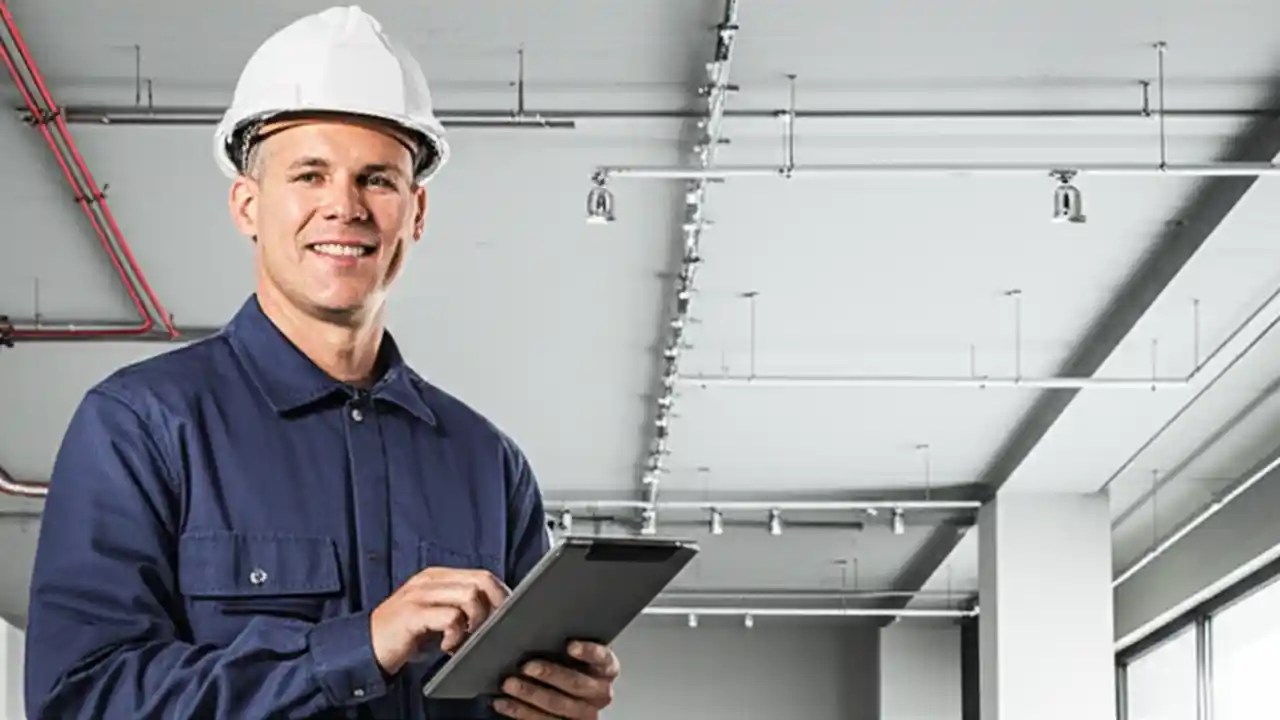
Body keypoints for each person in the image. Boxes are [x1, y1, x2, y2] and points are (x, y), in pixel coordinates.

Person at [22, 6, 620, 719]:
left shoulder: (488, 464)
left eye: (377, 180)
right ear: (248, 205)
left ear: (416, 212)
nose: (344, 207)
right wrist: (357, 647)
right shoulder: (143, 426)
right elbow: (80, 700)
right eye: (309, 175)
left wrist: (557, 701)